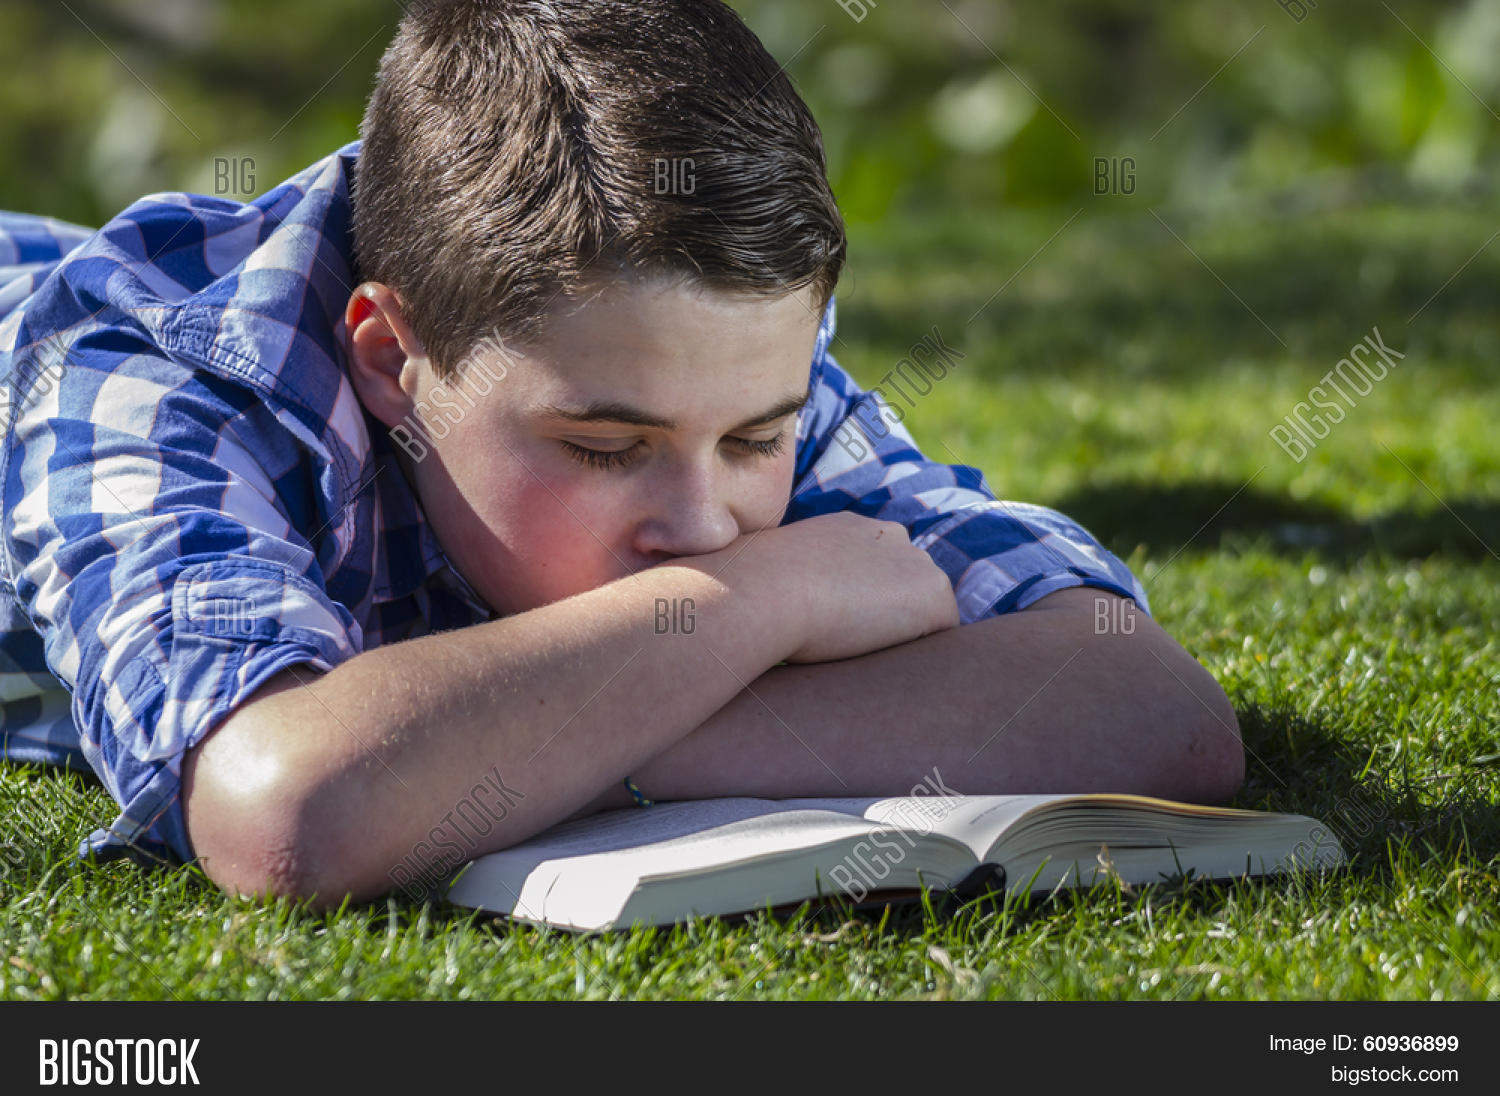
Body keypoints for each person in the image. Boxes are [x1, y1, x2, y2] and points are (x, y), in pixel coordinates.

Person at [0, 0, 1242, 908]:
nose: (703, 527)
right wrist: (760, 602)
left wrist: (515, 739)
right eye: (603, 449)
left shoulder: (686, 357)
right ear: (392, 360)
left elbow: (1149, 708)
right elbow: (287, 809)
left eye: (762, 438)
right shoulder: (164, 363)